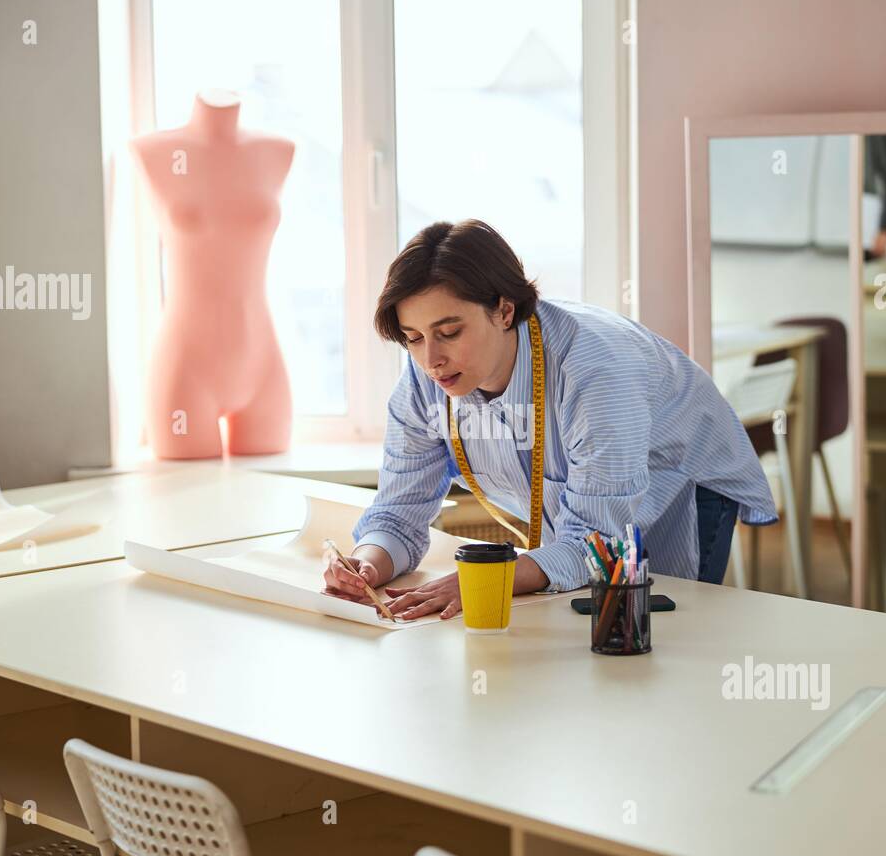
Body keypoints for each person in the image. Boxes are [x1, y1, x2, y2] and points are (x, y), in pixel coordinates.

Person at [323, 219, 778, 620]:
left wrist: (487, 580)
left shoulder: (595, 372)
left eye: (449, 332)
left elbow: (597, 541)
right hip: (585, 510)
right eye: (413, 338)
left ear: (503, 310)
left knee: (662, 635)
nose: (431, 359)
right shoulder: (426, 377)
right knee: (577, 631)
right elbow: (400, 509)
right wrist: (367, 561)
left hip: (680, 484)